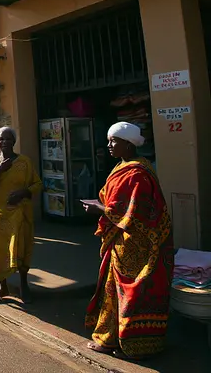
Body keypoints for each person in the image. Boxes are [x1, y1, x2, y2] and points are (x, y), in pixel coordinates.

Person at [83, 122, 173, 360]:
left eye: (114, 141)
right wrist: (100, 204)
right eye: (110, 140)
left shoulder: (138, 173)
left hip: (136, 243)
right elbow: (111, 196)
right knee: (113, 291)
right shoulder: (121, 167)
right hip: (121, 241)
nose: (109, 145)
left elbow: (136, 213)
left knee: (130, 292)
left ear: (129, 144)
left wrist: (100, 209)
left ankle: (133, 343)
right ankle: (111, 338)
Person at [0, 126, 42, 304]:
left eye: (8, 139)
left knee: (22, 249)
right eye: (1, 139)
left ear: (14, 141)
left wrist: (23, 192)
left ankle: (23, 285)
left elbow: (37, 184)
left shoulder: (24, 162)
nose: (5, 142)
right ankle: (2, 286)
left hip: (21, 214)